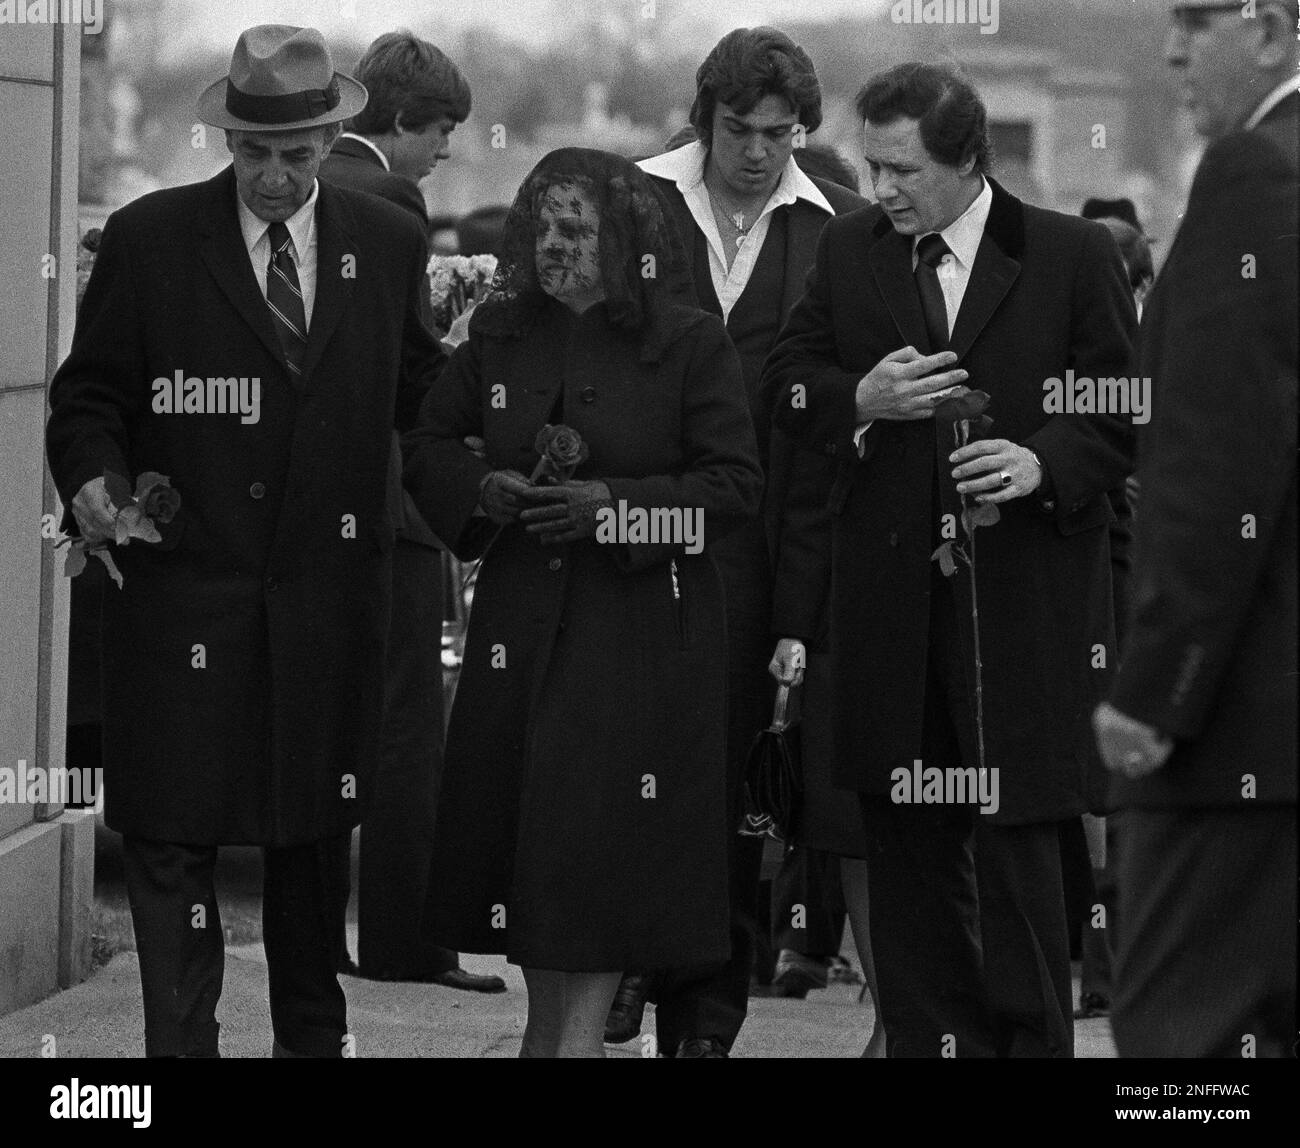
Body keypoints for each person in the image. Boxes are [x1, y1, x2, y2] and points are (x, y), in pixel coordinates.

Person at [44, 25, 441, 1057]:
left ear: (330, 138)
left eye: (296, 155)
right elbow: (89, 398)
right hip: (179, 604)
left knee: (311, 859)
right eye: (253, 153)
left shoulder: (389, 243)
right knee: (170, 849)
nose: (273, 176)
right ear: (227, 139)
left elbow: (423, 403)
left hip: (324, 609)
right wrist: (95, 482)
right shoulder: (148, 240)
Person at [765, 62, 1135, 1057]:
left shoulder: (1068, 253)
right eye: (873, 167)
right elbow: (786, 386)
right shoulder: (849, 251)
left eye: (902, 172)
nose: (879, 191)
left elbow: (1122, 409)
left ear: (969, 161)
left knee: (1018, 857)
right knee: (907, 854)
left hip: (1024, 611)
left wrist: (1038, 459)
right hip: (892, 609)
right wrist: (859, 398)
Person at [402, 148, 763, 1058]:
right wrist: (481, 491)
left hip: (638, 641)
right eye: (542, 227)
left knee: (598, 854)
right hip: (519, 631)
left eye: (576, 230)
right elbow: (434, 441)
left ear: (626, 243)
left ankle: (568, 1046)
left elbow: (732, 489)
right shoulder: (500, 331)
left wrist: (615, 510)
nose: (553, 246)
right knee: (529, 845)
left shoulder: (686, 340)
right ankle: (550, 1036)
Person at [629, 26, 865, 1058]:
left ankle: (704, 1023)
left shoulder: (840, 230)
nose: (761, 151)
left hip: (765, 551)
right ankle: (625, 960)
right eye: (741, 130)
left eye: (783, 132)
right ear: (703, 118)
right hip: (629, 539)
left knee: (737, 796)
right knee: (627, 777)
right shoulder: (628, 203)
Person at [1095, 0, 1298, 1058]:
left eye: (1196, 18)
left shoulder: (1254, 173)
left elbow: (1217, 464)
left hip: (1241, 727)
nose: (1171, 46)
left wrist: (1151, 688)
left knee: (1180, 1047)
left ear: (1268, 31)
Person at [316, 30, 502, 995]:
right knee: (405, 729)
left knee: (332, 721)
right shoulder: (389, 199)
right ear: (397, 123)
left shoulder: (318, 182)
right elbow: (412, 376)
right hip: (390, 505)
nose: (444, 155)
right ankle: (406, 938)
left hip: (316, 508)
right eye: (440, 133)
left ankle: (327, 942)